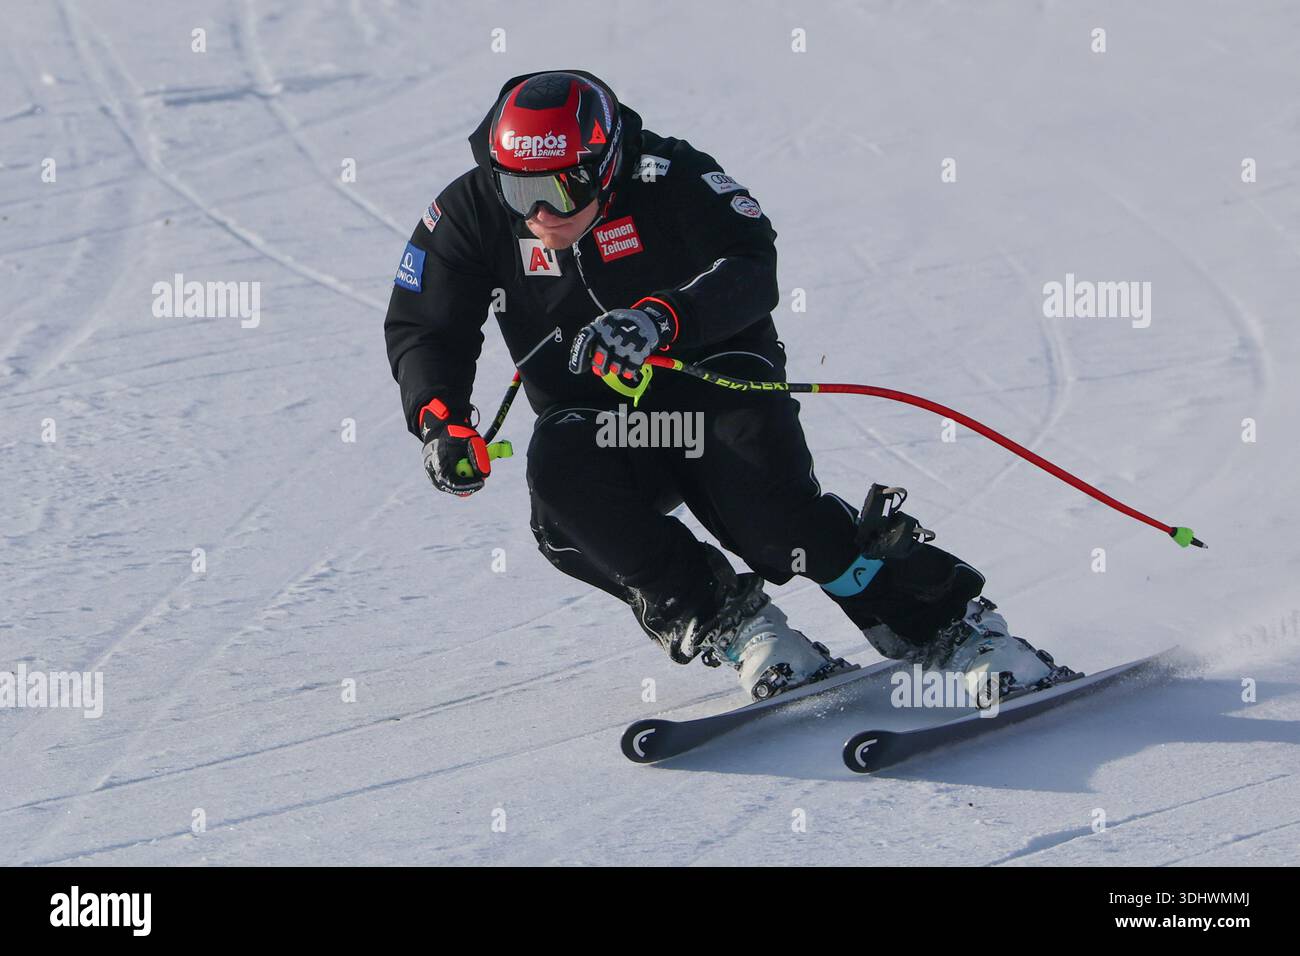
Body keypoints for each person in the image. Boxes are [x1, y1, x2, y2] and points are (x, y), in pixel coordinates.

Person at [384, 70, 1071, 701]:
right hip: (605, 421)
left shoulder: (672, 174)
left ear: (608, 163)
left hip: (712, 388)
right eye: (519, 192)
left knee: (772, 522)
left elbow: (751, 264)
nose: (540, 213)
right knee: (562, 506)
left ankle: (955, 628)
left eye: (561, 189)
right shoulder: (472, 210)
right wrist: (441, 420)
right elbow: (425, 325)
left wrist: (664, 318)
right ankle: (735, 624)